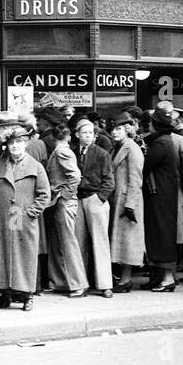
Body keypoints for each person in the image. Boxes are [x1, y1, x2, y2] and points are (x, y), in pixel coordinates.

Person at [0, 125, 51, 311]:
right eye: (11, 143)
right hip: (3, 216)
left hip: (22, 217)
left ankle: (27, 295)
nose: (15, 146)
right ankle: (4, 294)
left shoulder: (35, 166)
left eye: (19, 142)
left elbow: (44, 195)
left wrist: (30, 213)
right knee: (4, 254)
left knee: (24, 255)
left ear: (25, 144)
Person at [43, 123, 88, 297]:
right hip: (60, 202)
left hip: (63, 202)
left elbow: (75, 176)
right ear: (69, 137)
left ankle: (78, 283)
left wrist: (65, 195)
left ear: (53, 138)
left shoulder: (61, 152)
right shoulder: (63, 151)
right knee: (60, 242)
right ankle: (62, 282)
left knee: (67, 242)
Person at [73, 116, 115, 298]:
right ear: (77, 135)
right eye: (84, 133)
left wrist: (100, 198)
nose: (88, 136)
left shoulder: (101, 154)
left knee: (100, 242)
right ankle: (81, 283)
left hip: (94, 199)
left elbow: (109, 180)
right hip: (78, 199)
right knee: (78, 242)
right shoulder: (73, 152)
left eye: (91, 133)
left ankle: (105, 284)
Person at [143, 108, 182, 292]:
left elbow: (146, 167)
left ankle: (167, 279)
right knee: (162, 233)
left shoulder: (160, 144)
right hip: (165, 195)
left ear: (155, 125)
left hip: (160, 196)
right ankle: (164, 278)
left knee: (162, 234)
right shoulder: (166, 142)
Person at [109, 113, 146, 293]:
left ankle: (126, 279)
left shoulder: (132, 149)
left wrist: (130, 204)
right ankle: (123, 278)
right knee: (123, 239)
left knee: (128, 240)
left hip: (128, 200)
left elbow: (135, 179)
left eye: (119, 129)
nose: (115, 132)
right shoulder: (118, 147)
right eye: (114, 129)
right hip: (120, 199)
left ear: (127, 130)